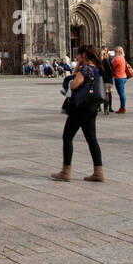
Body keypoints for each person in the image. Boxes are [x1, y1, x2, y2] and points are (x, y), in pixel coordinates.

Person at [51, 44, 105, 183]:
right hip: (92, 106)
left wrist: (78, 67)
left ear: (84, 56)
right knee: (92, 139)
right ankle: (98, 172)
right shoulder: (96, 68)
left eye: (79, 55)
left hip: (81, 107)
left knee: (67, 136)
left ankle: (66, 171)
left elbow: (74, 84)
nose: (77, 57)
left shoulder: (85, 69)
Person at [112, 46, 130, 113]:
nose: (114, 53)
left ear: (117, 52)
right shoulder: (122, 58)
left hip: (119, 77)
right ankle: (122, 107)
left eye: (115, 51)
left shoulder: (117, 59)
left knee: (121, 93)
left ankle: (123, 108)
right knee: (122, 92)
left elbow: (111, 66)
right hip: (123, 77)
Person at [99, 46, 115, 114]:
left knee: (102, 93)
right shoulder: (108, 60)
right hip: (108, 79)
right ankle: (107, 108)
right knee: (107, 93)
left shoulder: (100, 61)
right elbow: (112, 69)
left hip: (102, 79)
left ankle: (103, 107)